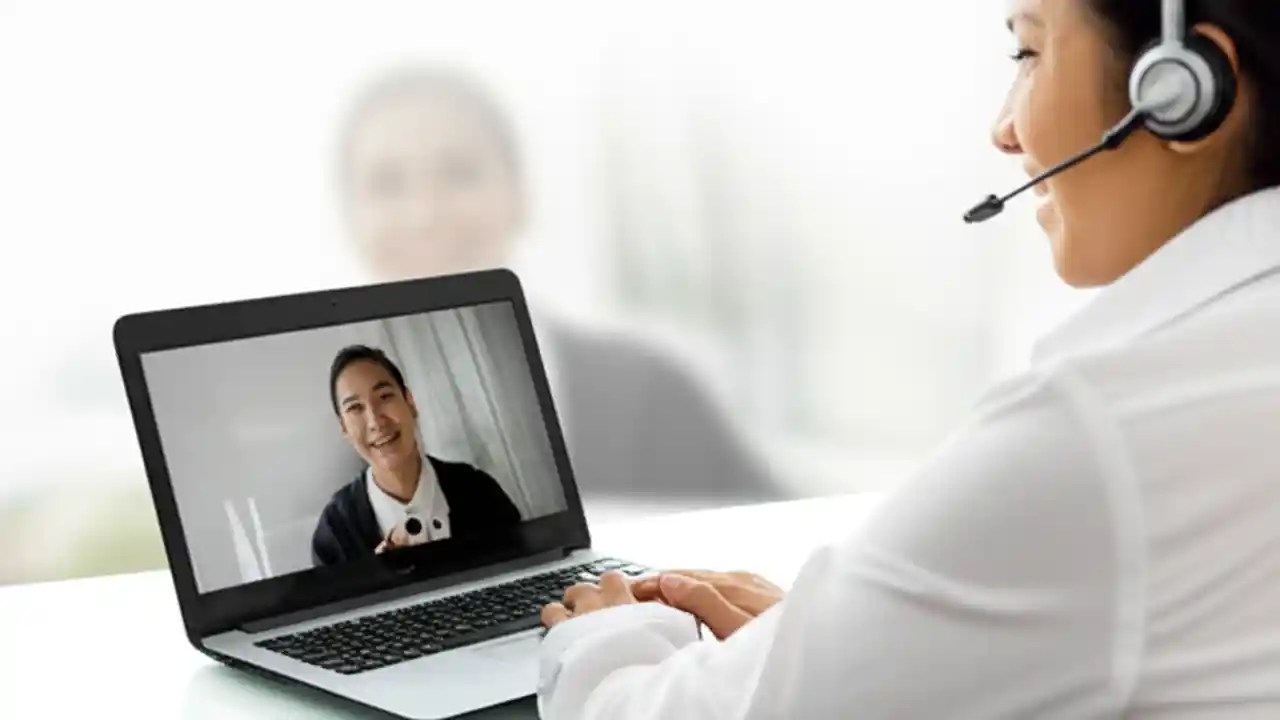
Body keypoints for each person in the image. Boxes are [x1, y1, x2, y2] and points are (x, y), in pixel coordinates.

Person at [533, 0, 1280, 717]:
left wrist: (603, 639)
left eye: (1029, 52)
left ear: (1185, 88)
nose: (1004, 131)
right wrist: (883, 645)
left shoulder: (1100, 432)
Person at [338, 68, 782, 503]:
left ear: (520, 195)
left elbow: (779, 547)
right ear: (350, 217)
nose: (425, 213)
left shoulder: (650, 389)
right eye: (388, 184)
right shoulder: (343, 454)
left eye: (459, 173)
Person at [311, 345, 519, 566]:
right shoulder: (334, 532)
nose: (375, 421)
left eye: (384, 396)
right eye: (355, 408)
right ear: (343, 427)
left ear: (410, 402)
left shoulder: (480, 492)